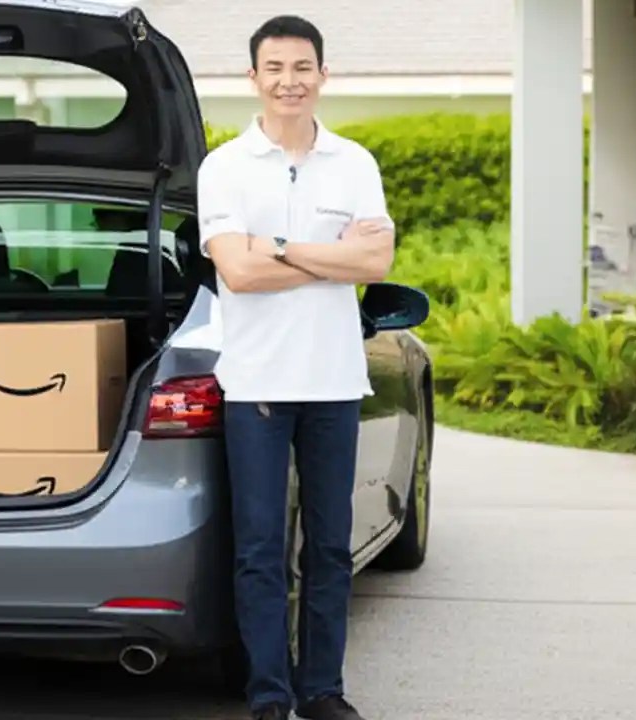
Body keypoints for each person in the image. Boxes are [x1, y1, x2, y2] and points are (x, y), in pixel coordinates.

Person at [194, 15, 396, 720]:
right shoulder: (223, 167)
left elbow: (374, 263)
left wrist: (274, 245)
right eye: (275, 68)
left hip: (335, 382)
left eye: (302, 66)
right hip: (255, 386)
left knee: (332, 549)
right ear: (253, 77)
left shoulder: (355, 163)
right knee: (259, 551)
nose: (289, 80)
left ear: (322, 75)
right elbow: (236, 275)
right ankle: (269, 694)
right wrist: (321, 256)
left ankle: (322, 690)